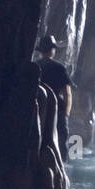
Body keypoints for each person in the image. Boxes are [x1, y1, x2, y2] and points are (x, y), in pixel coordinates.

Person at [35, 34, 73, 163]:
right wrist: (66, 113)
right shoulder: (59, 68)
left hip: (38, 108)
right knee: (61, 138)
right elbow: (67, 93)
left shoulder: (35, 66)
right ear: (52, 50)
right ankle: (62, 164)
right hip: (57, 109)